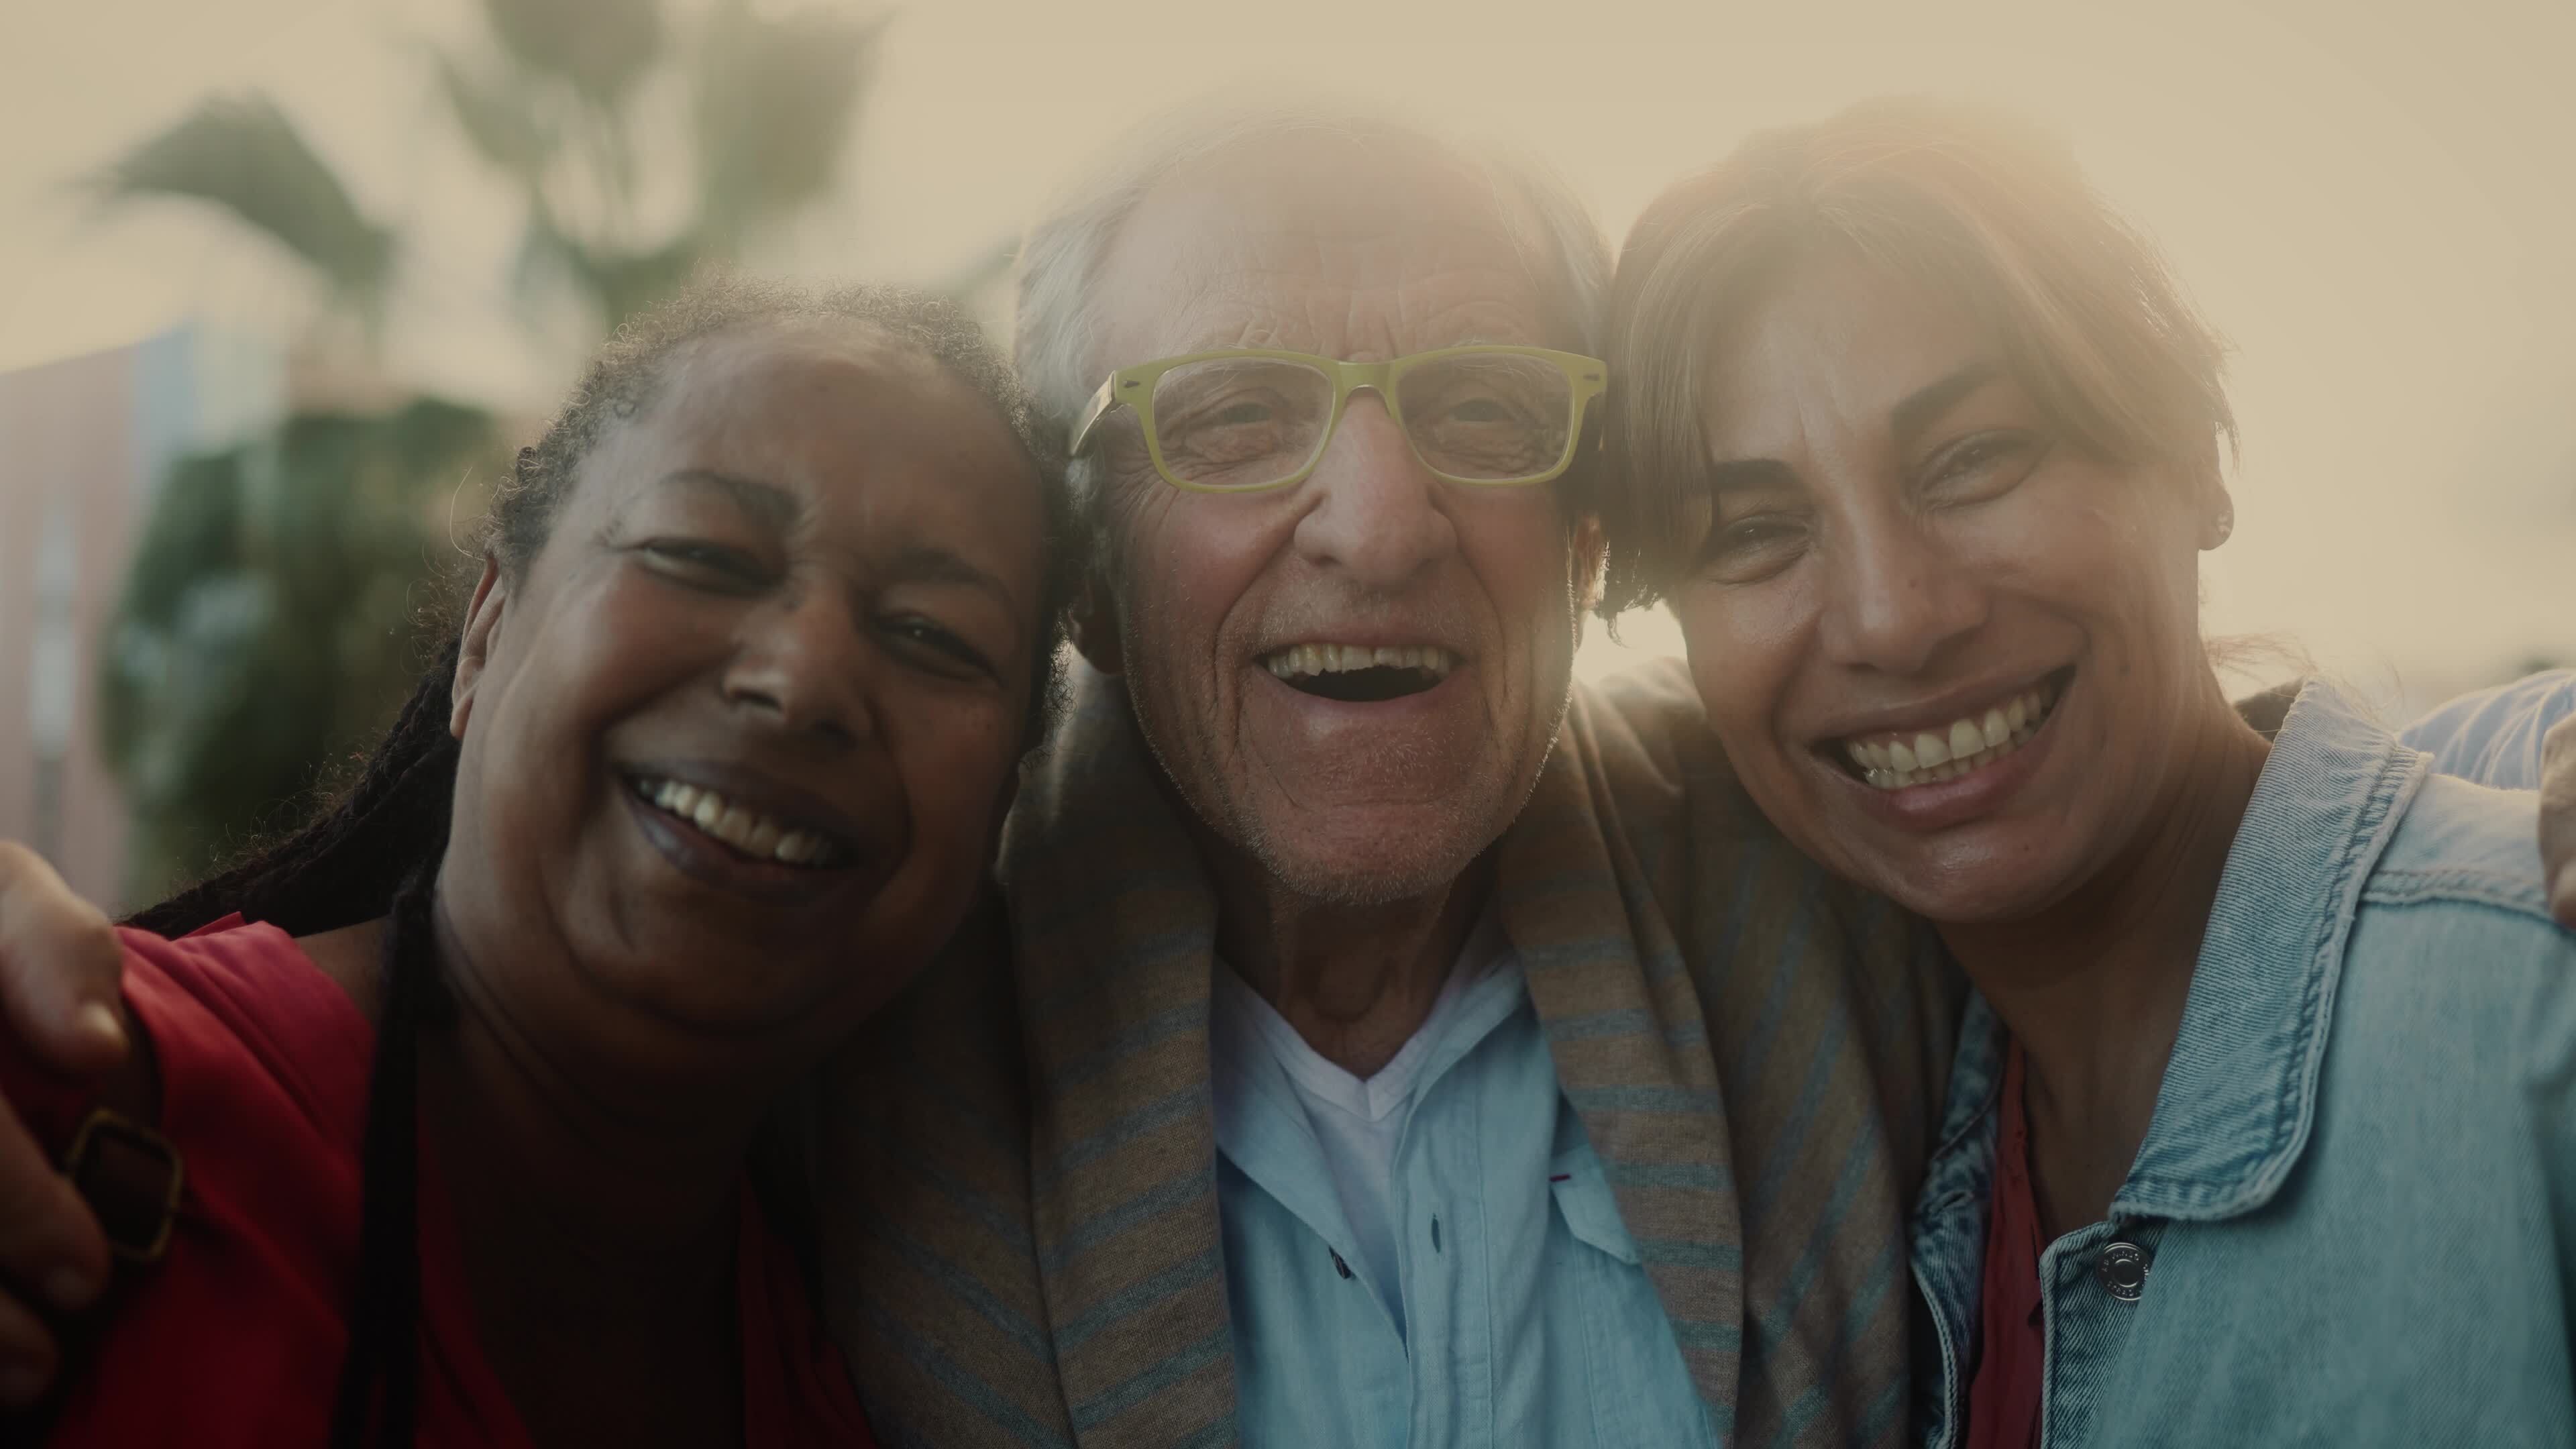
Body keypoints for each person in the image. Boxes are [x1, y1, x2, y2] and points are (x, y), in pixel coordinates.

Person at [0, 103, 2568, 1449]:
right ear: (1088, 571)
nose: (1377, 517)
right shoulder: (855, 1006)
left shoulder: (1816, 886)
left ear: (1589, 535)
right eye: (1230, 415)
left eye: (1484, 409)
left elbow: (2213, 827)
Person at [1597, 97, 2576, 1445]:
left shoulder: (2536, 1011)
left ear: (2196, 456)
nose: (1892, 616)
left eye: (1973, 460)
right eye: (1753, 531)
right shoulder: (1916, 1160)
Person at [0, 277, 1073, 1446]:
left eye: (931, 634)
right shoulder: (65, 1117)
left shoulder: (895, 1382)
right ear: (486, 634)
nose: (803, 677)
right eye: (703, 553)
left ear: (1005, 807)